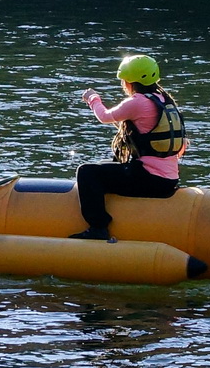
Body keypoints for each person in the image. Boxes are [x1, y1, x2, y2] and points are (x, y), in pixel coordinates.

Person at [70, 53, 187, 241]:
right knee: (104, 165)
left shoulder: (138, 102)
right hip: (169, 180)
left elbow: (105, 116)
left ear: (129, 82)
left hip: (149, 180)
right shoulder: (165, 100)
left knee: (86, 172)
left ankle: (98, 228)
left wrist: (93, 98)